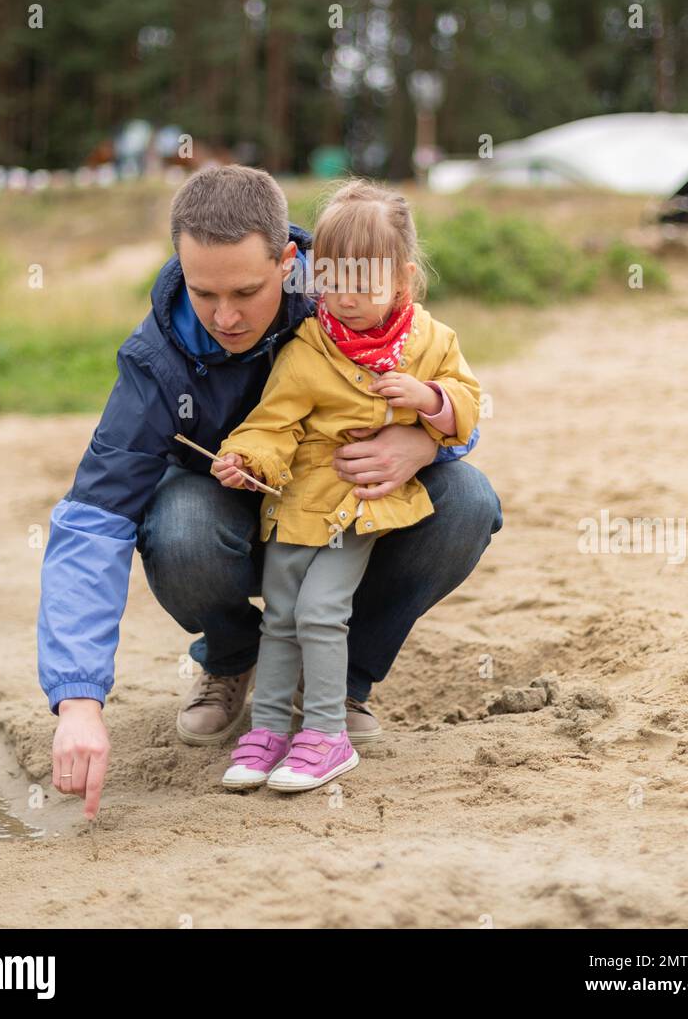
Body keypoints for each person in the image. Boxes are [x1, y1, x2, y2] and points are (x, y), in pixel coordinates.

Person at [37, 165, 503, 818]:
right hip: (227, 519)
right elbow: (93, 517)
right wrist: (78, 702)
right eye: (205, 293)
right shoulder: (153, 360)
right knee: (179, 525)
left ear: (290, 263)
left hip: (345, 509)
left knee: (469, 501)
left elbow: (458, 394)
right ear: (180, 264)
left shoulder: (345, 287)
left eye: (247, 291)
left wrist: (428, 440)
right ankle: (232, 661)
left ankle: (338, 685)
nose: (226, 316)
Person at [213, 179, 484, 793]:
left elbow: (469, 404)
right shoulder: (308, 346)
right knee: (280, 616)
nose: (346, 297)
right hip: (293, 508)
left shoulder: (430, 343)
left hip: (354, 510)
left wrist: (429, 400)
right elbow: (272, 422)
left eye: (366, 284)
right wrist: (247, 458)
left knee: (320, 609)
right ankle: (270, 728)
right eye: (332, 279)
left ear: (403, 281)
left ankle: (329, 732)